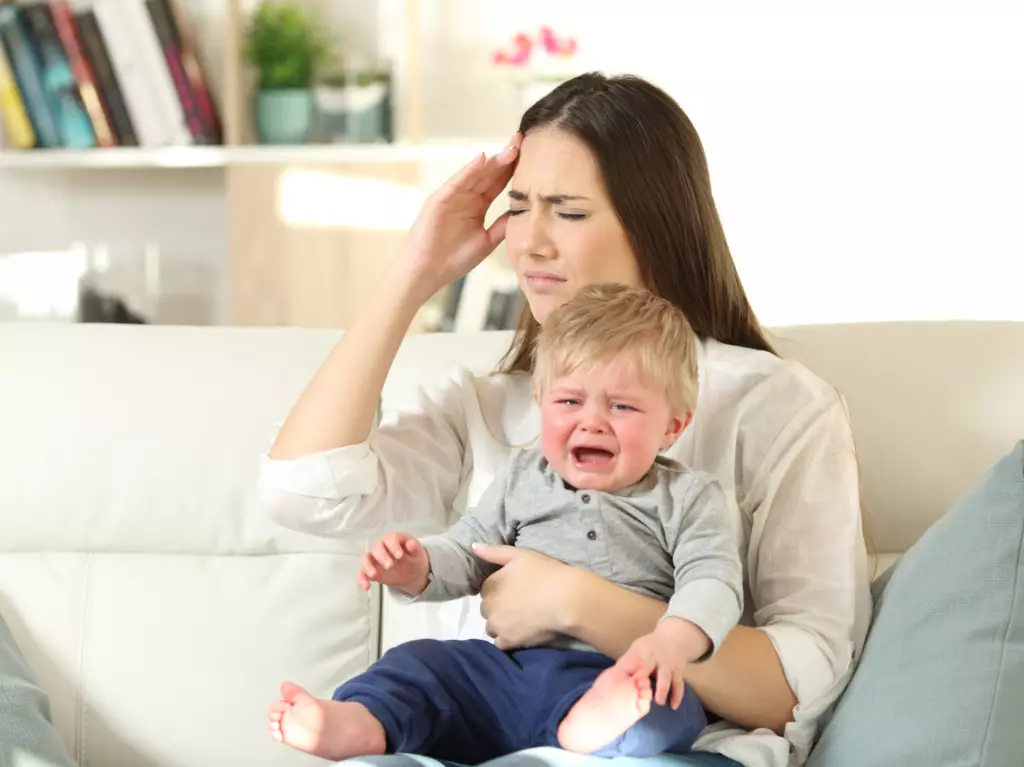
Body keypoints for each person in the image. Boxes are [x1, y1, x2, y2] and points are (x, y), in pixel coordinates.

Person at [257, 72, 871, 767]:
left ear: (654, 223)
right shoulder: (487, 406)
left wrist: (578, 601)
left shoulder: (776, 404)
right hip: (481, 734)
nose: (530, 243)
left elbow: (803, 684)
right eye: (519, 208)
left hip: (670, 746)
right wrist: (414, 270)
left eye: (568, 212)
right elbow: (301, 491)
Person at [267, 284, 744, 763]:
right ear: (540, 401)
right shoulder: (523, 476)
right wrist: (418, 566)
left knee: (669, 707)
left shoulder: (687, 497)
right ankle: (361, 722)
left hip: (611, 670)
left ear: (673, 426)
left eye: (621, 406)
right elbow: (472, 549)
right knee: (421, 663)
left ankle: (590, 729)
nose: (592, 422)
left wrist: (670, 642)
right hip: (504, 671)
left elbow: (712, 581)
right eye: (569, 402)